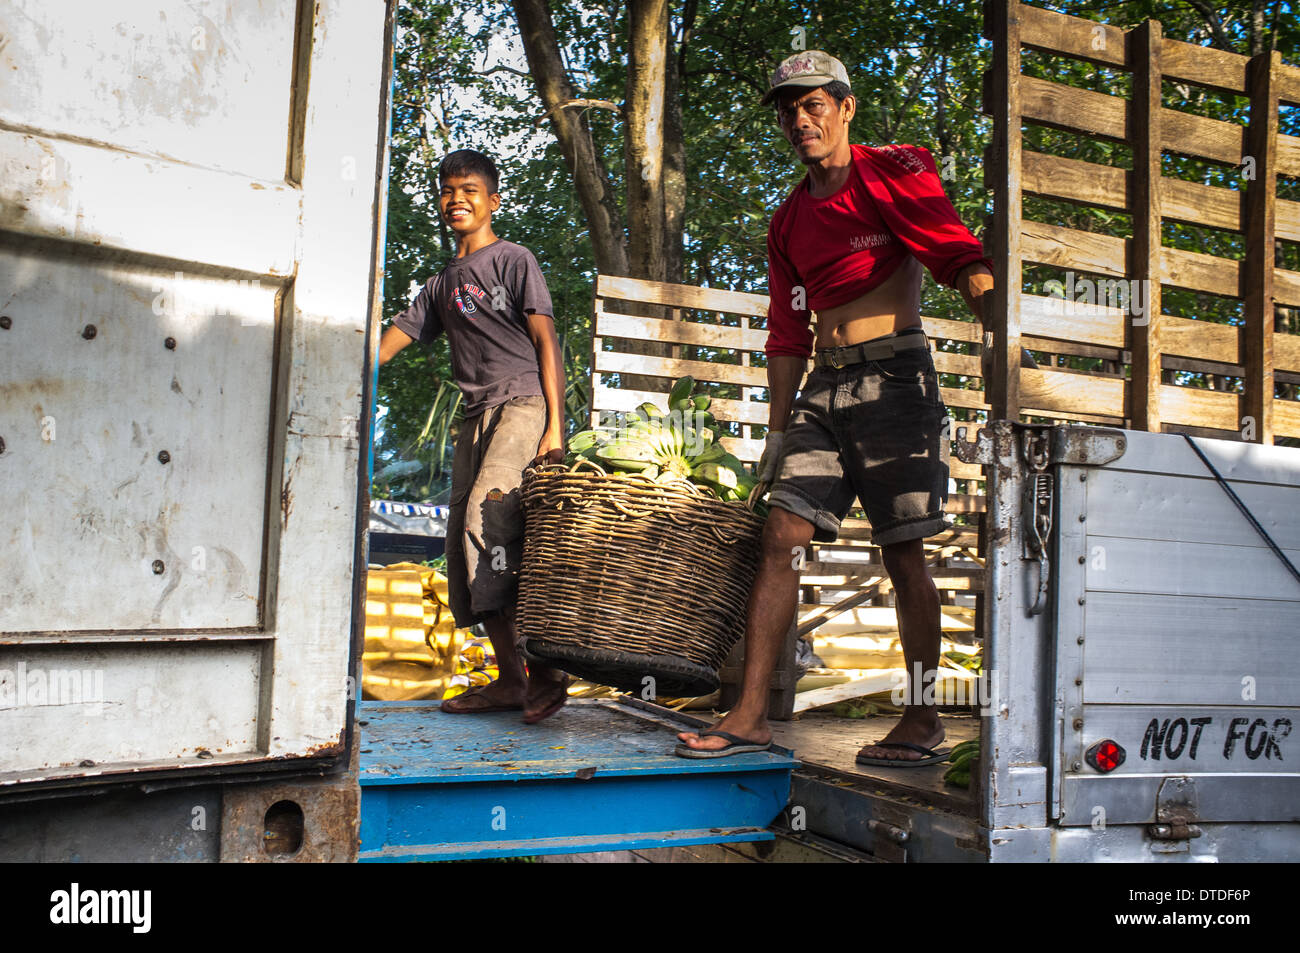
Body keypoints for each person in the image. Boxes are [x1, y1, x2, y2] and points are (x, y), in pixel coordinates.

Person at [677, 51, 1029, 763]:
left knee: (903, 552)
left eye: (813, 105)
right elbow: (786, 332)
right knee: (780, 534)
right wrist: (777, 431)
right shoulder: (787, 221)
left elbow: (959, 256)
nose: (800, 120)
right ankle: (749, 713)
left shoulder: (890, 172)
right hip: (821, 389)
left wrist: (1000, 344)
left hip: (896, 379)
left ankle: (924, 715)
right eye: (788, 109)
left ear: (845, 108)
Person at [377, 148, 570, 724]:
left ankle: (545, 671)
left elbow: (546, 343)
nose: (456, 199)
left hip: (522, 405)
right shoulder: (440, 284)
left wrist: (554, 427)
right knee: (458, 552)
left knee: (490, 525)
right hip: (474, 417)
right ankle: (510, 680)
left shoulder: (514, 260)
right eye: (447, 190)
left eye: (469, 190)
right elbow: (386, 345)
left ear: (493, 200)